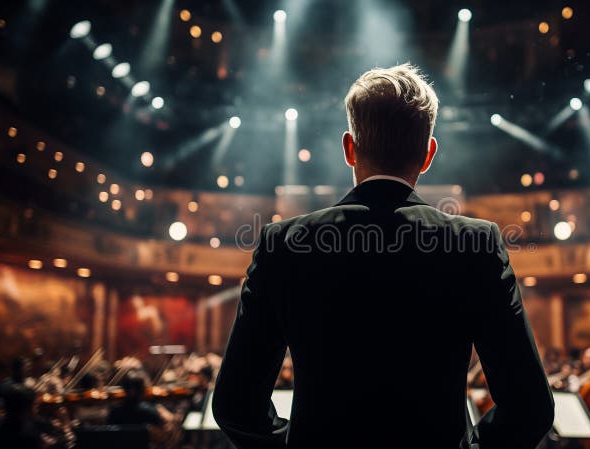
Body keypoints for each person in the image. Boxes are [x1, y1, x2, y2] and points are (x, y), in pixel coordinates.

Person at [213, 64, 553, 449]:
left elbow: (235, 404)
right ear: (428, 154)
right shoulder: (476, 243)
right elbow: (530, 408)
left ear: (349, 148)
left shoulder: (284, 244)